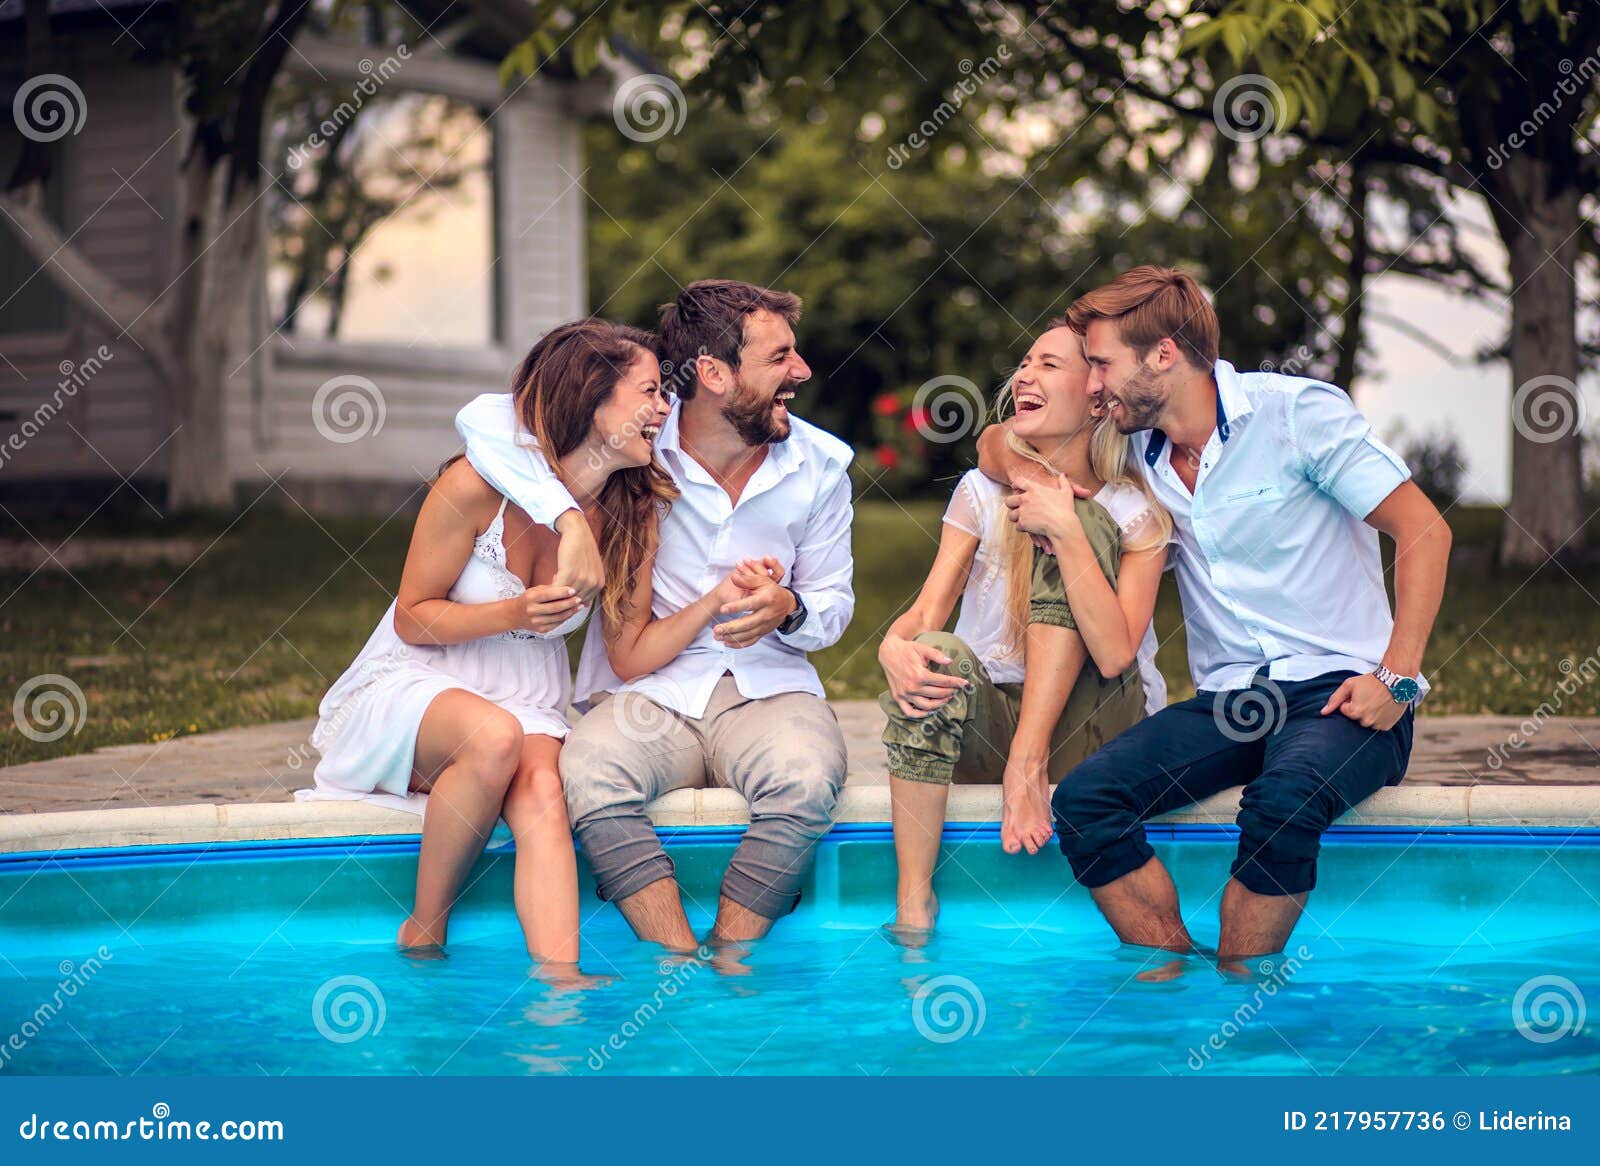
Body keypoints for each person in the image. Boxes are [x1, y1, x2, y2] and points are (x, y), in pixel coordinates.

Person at [979, 266, 1452, 967]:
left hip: (1344, 690)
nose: (1094, 384)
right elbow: (998, 442)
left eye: (1103, 364)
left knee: (1282, 803)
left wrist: (1398, 680)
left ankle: (1240, 993)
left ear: (1163, 355)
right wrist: (1038, 482)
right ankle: (1177, 981)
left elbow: (1425, 531)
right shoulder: (1131, 445)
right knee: (1086, 802)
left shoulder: (1296, 415)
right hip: (1232, 703)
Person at [454, 280, 854, 954]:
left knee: (808, 780)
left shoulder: (821, 466)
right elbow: (485, 419)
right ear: (714, 375)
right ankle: (675, 960)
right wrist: (567, 521)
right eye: (780, 356)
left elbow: (834, 605)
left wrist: (788, 610)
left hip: (770, 689)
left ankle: (730, 960)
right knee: (588, 774)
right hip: (649, 692)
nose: (802, 370)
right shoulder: (637, 436)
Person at [305, 319, 674, 966]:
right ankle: (424, 930)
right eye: (649, 392)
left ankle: (561, 984)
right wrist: (513, 612)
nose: (664, 408)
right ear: (592, 396)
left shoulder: (629, 513)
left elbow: (629, 644)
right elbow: (412, 619)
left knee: (544, 789)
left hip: (527, 693)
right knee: (493, 737)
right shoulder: (473, 486)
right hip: (421, 678)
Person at [879, 321, 1169, 933]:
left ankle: (1027, 764)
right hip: (996, 719)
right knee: (933, 652)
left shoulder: (1131, 511)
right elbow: (928, 612)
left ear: (1097, 399)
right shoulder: (981, 491)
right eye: (1025, 364)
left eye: (1049, 365)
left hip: (1097, 726)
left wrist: (1064, 527)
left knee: (1080, 521)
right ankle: (913, 905)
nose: (1024, 377)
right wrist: (893, 647)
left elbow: (1116, 655)